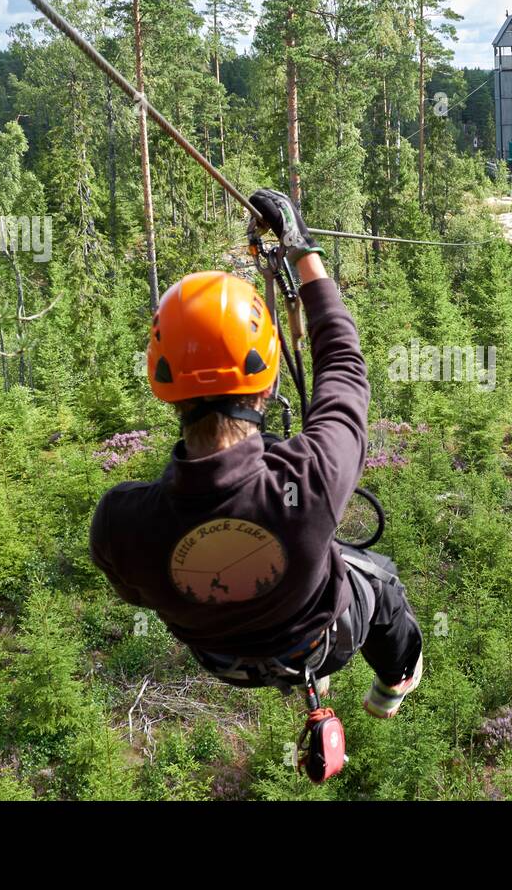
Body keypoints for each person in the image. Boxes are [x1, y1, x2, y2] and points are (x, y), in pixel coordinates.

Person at [89, 189, 423, 718]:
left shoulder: (120, 522)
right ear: (266, 387)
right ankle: (394, 684)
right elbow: (342, 364)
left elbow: (138, 593)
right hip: (321, 642)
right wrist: (302, 250)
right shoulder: (310, 479)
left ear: (163, 384)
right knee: (381, 582)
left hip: (223, 660)